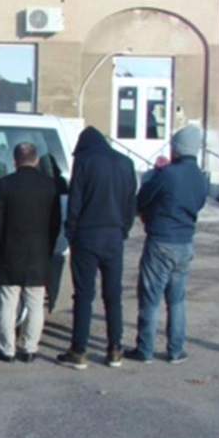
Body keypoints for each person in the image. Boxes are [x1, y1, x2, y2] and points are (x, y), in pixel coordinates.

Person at [125, 126, 208, 365]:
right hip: (185, 241)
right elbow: (199, 204)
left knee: (150, 298)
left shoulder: (167, 174)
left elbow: (143, 198)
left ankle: (145, 349)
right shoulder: (201, 178)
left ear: (177, 148)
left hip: (161, 240)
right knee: (177, 300)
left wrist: (154, 174)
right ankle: (176, 350)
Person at [57, 127, 137, 370]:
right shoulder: (126, 162)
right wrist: (123, 229)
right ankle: (115, 350)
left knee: (84, 295)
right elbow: (131, 201)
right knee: (113, 296)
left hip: (87, 235)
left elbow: (76, 201)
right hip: (114, 236)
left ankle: (79, 351)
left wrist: (71, 232)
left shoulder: (85, 161)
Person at [0, 142, 61, 364]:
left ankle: (7, 348)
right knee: (36, 303)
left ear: (14, 160)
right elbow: (55, 222)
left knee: (9, 302)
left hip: (10, 251)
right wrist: (48, 246)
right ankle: (30, 348)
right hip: (39, 252)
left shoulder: (5, 185)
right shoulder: (49, 185)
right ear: (37, 160)